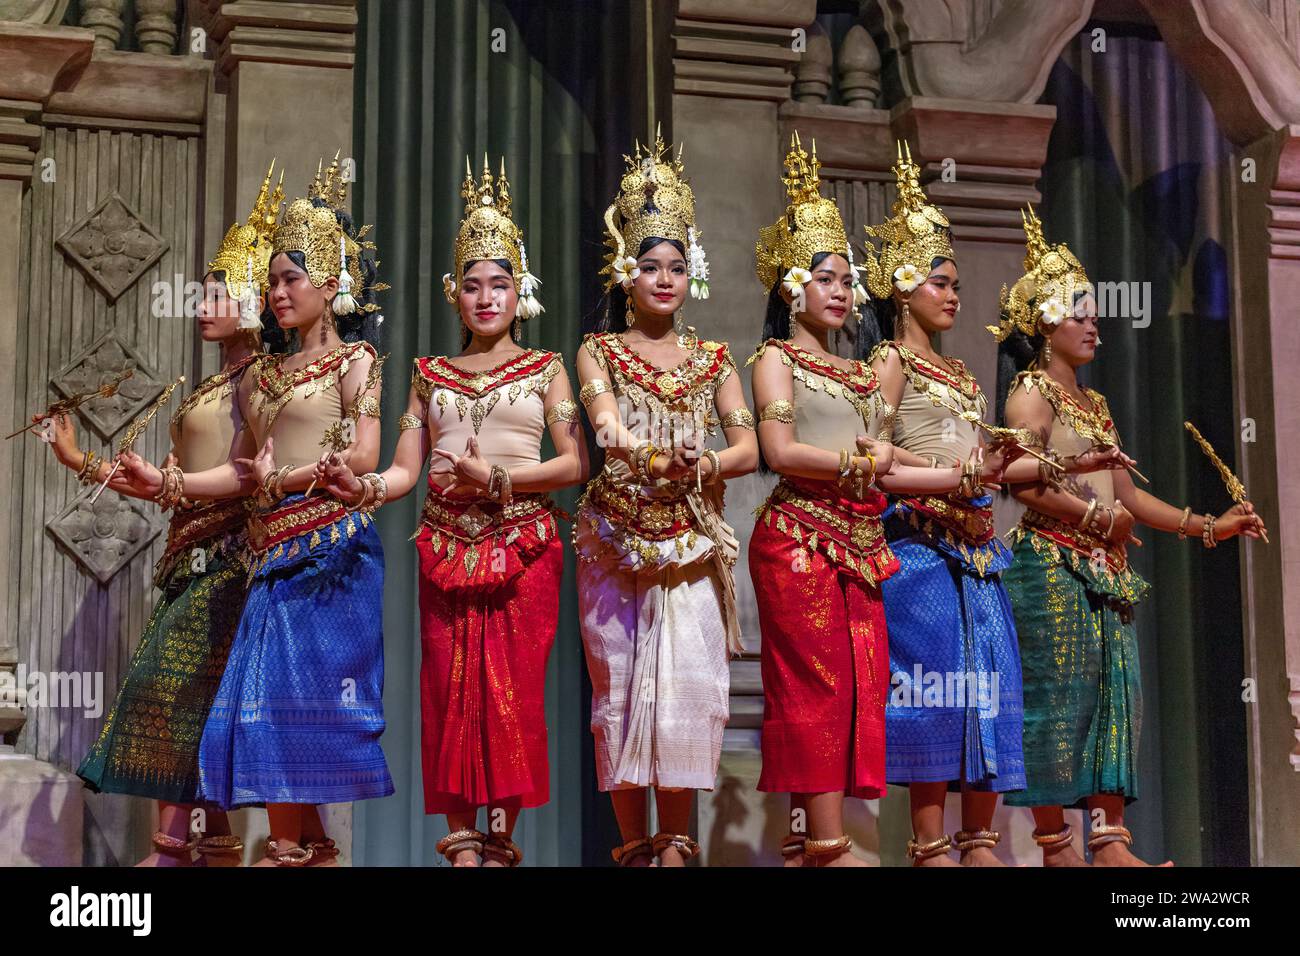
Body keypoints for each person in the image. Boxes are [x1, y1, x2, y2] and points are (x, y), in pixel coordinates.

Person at [115, 155, 394, 866]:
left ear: (329, 286)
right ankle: (300, 848)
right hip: (268, 558)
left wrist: (296, 475)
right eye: (269, 281)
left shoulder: (357, 361)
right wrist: (166, 486)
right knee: (260, 719)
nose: (276, 292)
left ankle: (295, 847)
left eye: (289, 279)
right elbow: (241, 475)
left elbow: (364, 455)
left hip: (331, 557)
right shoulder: (262, 375)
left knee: (308, 718)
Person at [313, 157, 588, 867]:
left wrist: (496, 477)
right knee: (449, 695)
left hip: (523, 547)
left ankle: (500, 841)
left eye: (499, 284)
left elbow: (574, 465)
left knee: (512, 696)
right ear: (452, 294)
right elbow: (405, 467)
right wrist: (364, 488)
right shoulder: (428, 374)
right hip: (443, 546)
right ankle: (462, 843)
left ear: (518, 292)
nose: (486, 297)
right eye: (472, 285)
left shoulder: (547, 367)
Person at [994, 206, 1266, 866]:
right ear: (1044, 323)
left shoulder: (1094, 403)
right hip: (1052, 566)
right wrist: (1089, 514)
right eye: (1078, 312)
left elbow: (1130, 495)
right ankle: (1058, 846)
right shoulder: (1030, 395)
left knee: (1117, 697)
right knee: (1059, 702)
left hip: (1106, 569)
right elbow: (1017, 477)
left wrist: (1208, 525)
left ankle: (1112, 843)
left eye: (1094, 312)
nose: (1093, 324)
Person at [36, 165, 283, 866]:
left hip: (230, 564)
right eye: (202, 292)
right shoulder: (210, 382)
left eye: (220, 293)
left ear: (257, 304)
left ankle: (180, 850)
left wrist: (171, 482)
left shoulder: (262, 379)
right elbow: (163, 484)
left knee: (173, 702)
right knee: (182, 710)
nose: (203, 304)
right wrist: (79, 458)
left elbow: (244, 473)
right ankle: (198, 849)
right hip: (190, 561)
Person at [574, 132, 758, 867]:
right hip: (615, 540)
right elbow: (604, 425)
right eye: (649, 265)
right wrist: (645, 452)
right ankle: (632, 847)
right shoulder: (598, 350)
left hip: (690, 541)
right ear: (626, 272)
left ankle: (678, 843)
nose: (664, 277)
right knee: (619, 690)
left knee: (687, 689)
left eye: (677, 266)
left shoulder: (716, 359)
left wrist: (706, 459)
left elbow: (748, 449)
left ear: (693, 275)